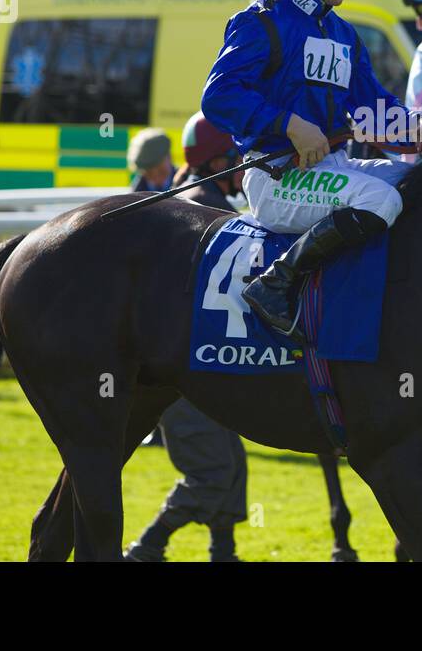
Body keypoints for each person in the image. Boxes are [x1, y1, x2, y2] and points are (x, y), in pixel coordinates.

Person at [201, 0, 422, 335]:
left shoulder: (345, 34)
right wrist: (289, 124)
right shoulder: (262, 21)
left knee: (420, 184)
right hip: (276, 179)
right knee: (381, 199)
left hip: (332, 170)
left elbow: (373, 108)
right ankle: (276, 283)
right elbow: (219, 96)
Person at [125, 113, 248, 563]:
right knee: (213, 472)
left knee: (230, 465)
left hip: (204, 364)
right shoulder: (205, 211)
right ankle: (148, 546)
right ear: (216, 162)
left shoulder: (202, 199)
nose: (245, 165)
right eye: (236, 158)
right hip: (184, 372)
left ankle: (224, 552)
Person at [128, 127, 175, 192]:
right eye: (149, 172)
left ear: (170, 157)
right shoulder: (136, 191)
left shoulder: (188, 184)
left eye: (160, 170)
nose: (155, 176)